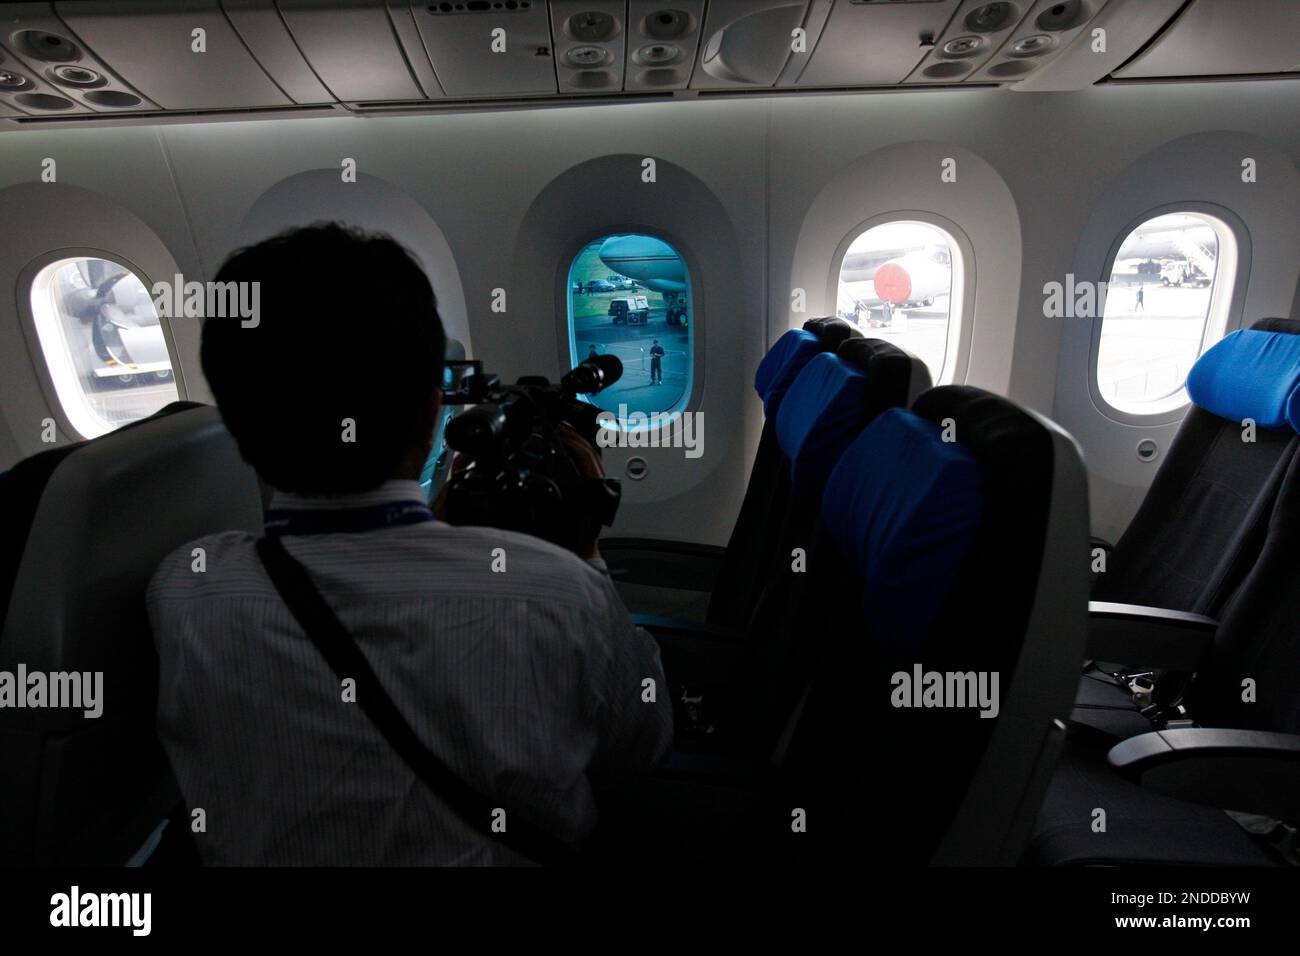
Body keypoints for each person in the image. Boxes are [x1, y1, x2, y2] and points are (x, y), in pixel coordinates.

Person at [147, 222, 672, 865]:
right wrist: (587, 550)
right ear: (433, 414)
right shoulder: (559, 593)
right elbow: (642, 749)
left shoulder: (183, 594)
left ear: (236, 424)